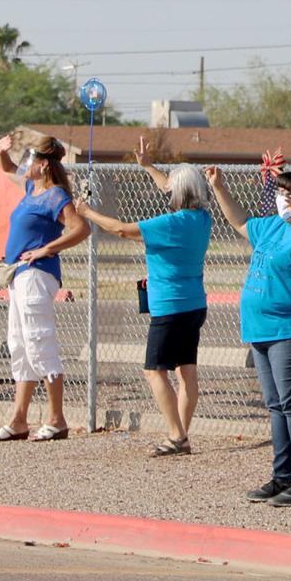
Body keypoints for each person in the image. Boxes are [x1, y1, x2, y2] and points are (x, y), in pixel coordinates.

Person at [208, 165, 291, 507]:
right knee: (276, 405)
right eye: (278, 192)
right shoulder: (270, 227)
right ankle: (282, 476)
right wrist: (219, 187)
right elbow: (239, 222)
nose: (279, 198)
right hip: (260, 329)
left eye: (286, 193)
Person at [74, 138, 212, 457]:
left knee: (154, 370)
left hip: (169, 306)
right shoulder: (202, 219)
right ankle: (182, 434)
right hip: (194, 303)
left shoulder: (170, 223)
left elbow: (122, 229)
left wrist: (88, 212)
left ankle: (176, 436)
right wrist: (148, 166)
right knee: (186, 369)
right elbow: (172, 186)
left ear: (179, 192)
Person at [0, 135, 91, 443]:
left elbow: (81, 228)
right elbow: (8, 169)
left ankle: (57, 419)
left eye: (31, 160)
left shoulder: (55, 195)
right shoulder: (33, 188)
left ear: (43, 165)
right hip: (19, 275)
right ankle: (19, 419)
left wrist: (46, 249)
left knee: (38, 341)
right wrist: (0, 152)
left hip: (36, 274)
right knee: (19, 344)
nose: (26, 166)